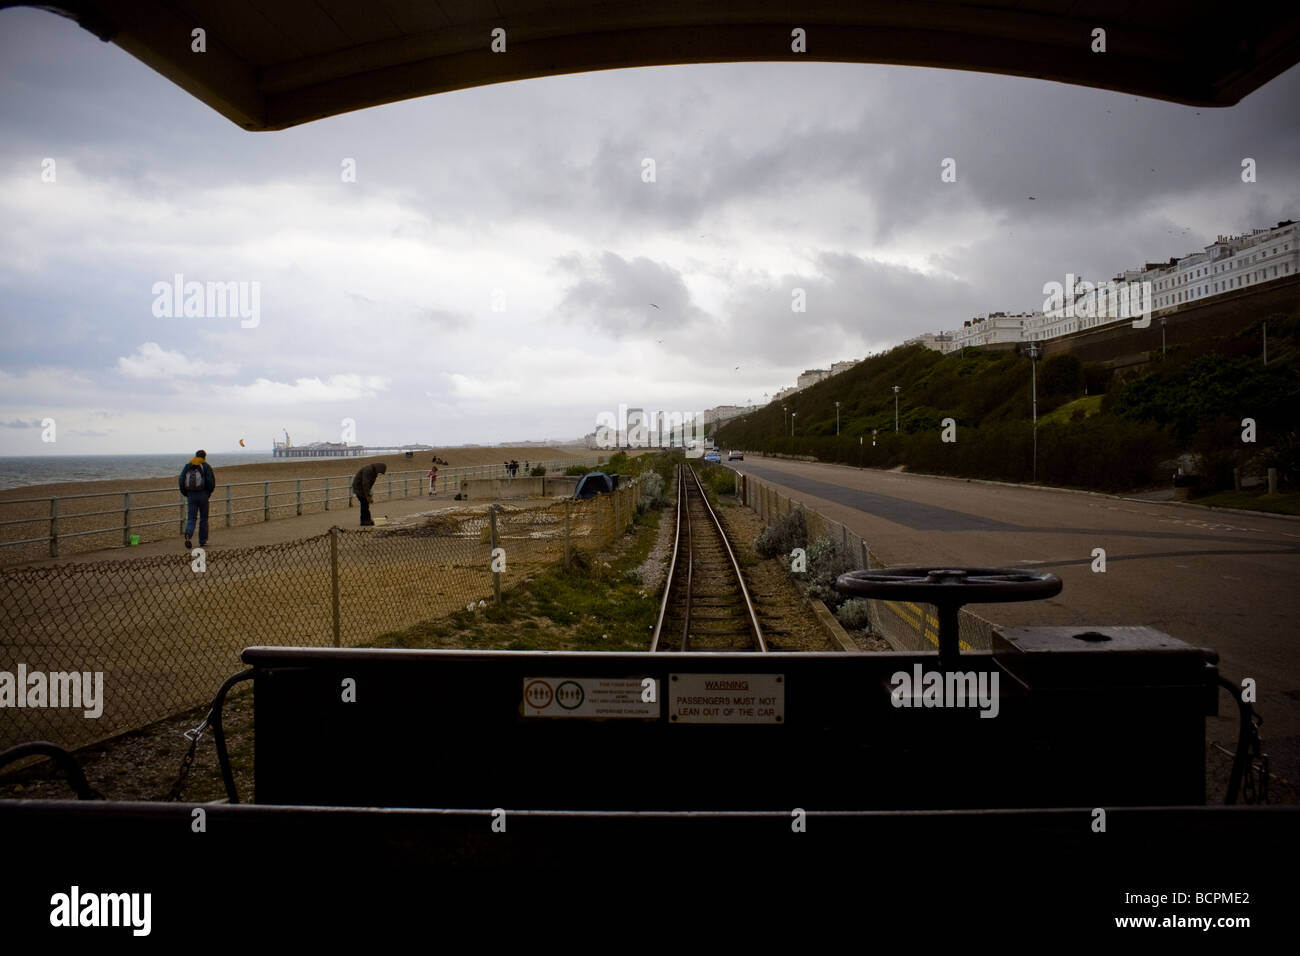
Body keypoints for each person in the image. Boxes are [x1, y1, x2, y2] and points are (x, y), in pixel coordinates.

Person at [178, 449, 216, 549]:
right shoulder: (205, 466)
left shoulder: (188, 465)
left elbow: (181, 480)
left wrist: (185, 493)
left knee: (191, 517)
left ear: (196, 455)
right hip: (203, 494)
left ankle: (189, 534)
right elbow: (211, 481)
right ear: (204, 457)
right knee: (204, 518)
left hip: (191, 495)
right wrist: (209, 493)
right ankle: (203, 541)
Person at [351, 462, 387, 526]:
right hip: (359, 488)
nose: (379, 473)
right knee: (364, 504)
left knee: (365, 504)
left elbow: (370, 484)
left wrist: (369, 493)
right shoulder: (368, 470)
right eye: (380, 472)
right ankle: (364, 521)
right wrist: (367, 495)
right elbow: (365, 483)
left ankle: (366, 520)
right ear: (379, 468)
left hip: (364, 489)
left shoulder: (374, 472)